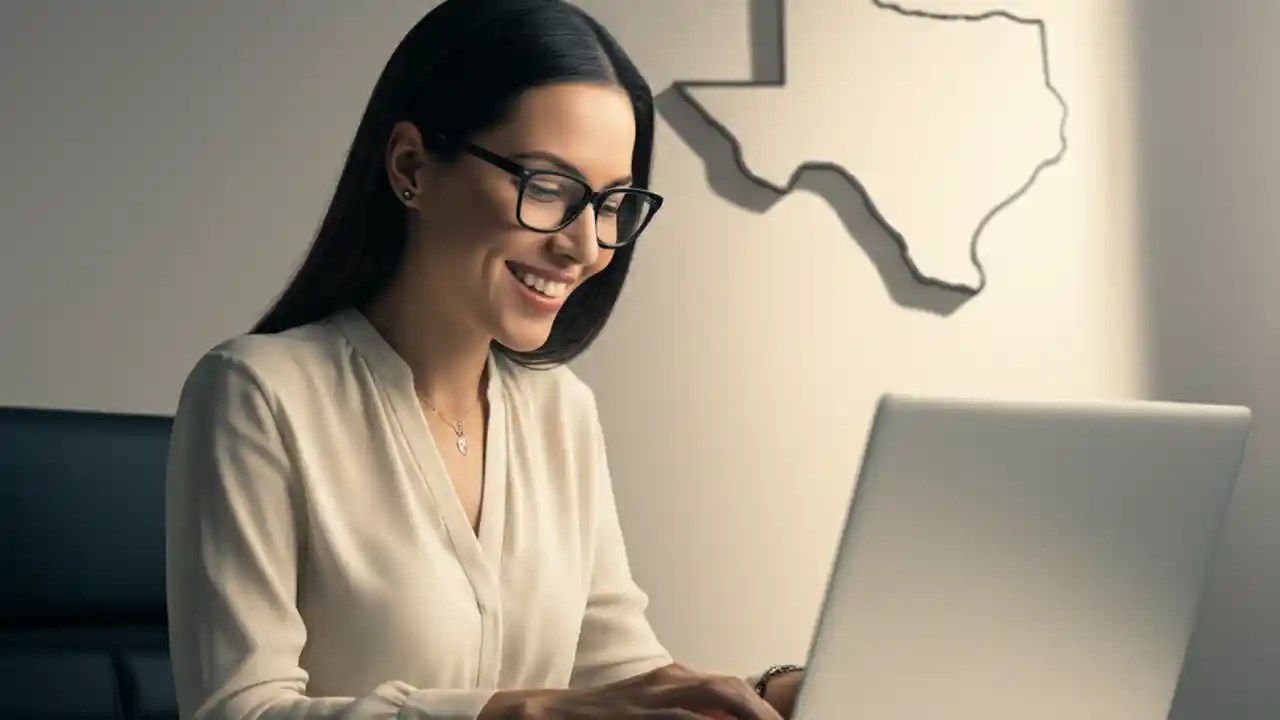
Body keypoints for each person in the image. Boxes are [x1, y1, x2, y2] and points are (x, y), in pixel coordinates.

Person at [164, 1, 805, 718]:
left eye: (611, 203)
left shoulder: (561, 412)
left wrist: (777, 692)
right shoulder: (257, 395)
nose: (585, 246)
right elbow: (237, 711)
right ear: (412, 167)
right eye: (548, 187)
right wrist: (521, 712)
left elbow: (619, 672)